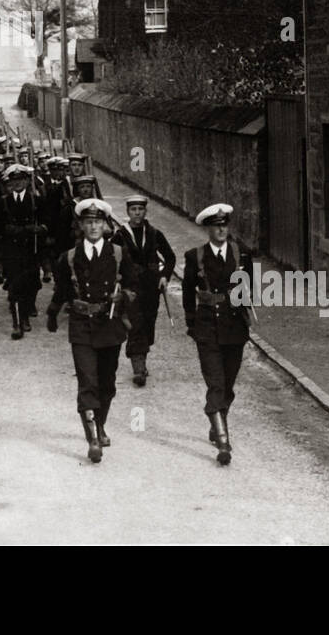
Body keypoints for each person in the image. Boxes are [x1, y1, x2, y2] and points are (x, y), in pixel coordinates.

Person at [46, 198, 137, 463]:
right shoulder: (70, 257)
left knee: (107, 383)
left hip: (110, 325)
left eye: (97, 222)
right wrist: (52, 313)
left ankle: (100, 422)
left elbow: (133, 285)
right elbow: (62, 289)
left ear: (105, 225)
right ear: (81, 226)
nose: (93, 226)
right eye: (88, 222)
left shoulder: (119, 253)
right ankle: (93, 439)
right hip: (81, 325)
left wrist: (124, 298)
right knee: (87, 381)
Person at [181, 202, 252, 465]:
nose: (221, 230)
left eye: (224, 225)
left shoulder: (241, 254)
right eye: (216, 226)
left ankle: (217, 419)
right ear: (208, 229)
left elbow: (250, 287)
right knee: (216, 383)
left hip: (234, 328)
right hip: (207, 327)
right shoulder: (195, 257)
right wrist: (191, 323)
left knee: (229, 384)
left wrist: (245, 303)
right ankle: (223, 441)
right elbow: (188, 292)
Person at [114, 196, 176, 386]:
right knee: (135, 323)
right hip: (131, 288)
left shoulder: (155, 233)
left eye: (140, 209)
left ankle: (142, 358)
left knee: (148, 323)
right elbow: (111, 258)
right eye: (133, 210)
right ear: (128, 212)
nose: (137, 213)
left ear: (145, 211)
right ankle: (138, 368)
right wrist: (116, 277)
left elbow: (170, 257)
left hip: (151, 287)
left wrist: (164, 275)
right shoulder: (120, 235)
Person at [0, 165, 46, 339]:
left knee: (31, 284)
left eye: (21, 180)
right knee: (15, 286)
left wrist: (38, 229)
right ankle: (19, 322)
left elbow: (46, 224)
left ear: (26, 182)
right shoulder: (3, 202)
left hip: (31, 250)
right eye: (14, 181)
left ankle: (28, 308)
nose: (17, 184)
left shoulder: (36, 201)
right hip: (12, 251)